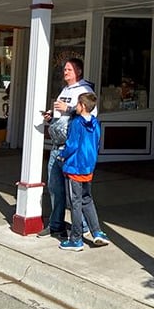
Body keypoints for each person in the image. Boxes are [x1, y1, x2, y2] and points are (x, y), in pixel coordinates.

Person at [37, 58, 94, 239]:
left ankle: (83, 227)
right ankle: (56, 225)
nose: (65, 72)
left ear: (78, 71)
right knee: (55, 188)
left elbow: (89, 115)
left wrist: (68, 107)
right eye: (65, 69)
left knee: (74, 193)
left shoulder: (85, 90)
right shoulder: (65, 90)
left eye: (69, 69)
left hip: (70, 150)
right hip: (56, 147)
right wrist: (51, 115)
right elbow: (61, 113)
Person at [58, 91, 109, 251]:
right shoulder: (95, 123)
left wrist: (62, 155)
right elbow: (97, 143)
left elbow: (72, 144)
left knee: (75, 202)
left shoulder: (76, 123)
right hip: (88, 166)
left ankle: (76, 238)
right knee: (87, 199)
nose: (76, 107)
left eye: (78, 104)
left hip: (75, 166)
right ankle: (97, 232)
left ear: (83, 106)